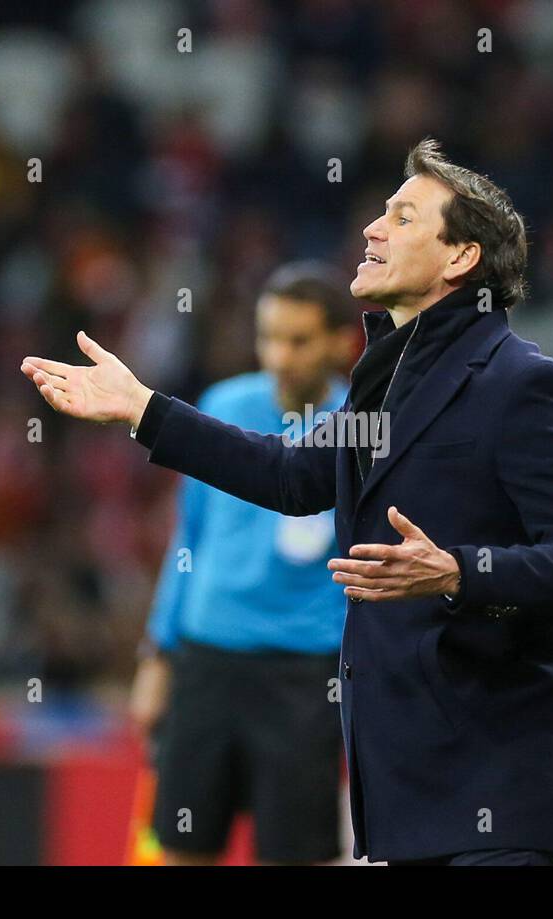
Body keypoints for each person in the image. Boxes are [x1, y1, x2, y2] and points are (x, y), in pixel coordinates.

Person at [22, 138, 553, 865]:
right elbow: (291, 476)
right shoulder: (389, 378)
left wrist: (459, 572)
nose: (372, 228)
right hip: (407, 782)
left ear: (461, 258)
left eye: (402, 218)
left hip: (495, 772)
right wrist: (143, 409)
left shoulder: (523, 382)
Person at [131, 263, 355, 865]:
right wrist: (158, 654)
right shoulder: (223, 404)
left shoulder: (362, 430)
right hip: (208, 660)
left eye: (299, 340)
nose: (280, 357)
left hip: (306, 673)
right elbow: (190, 537)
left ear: (342, 341)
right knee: (180, 847)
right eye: (269, 337)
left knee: (295, 856)